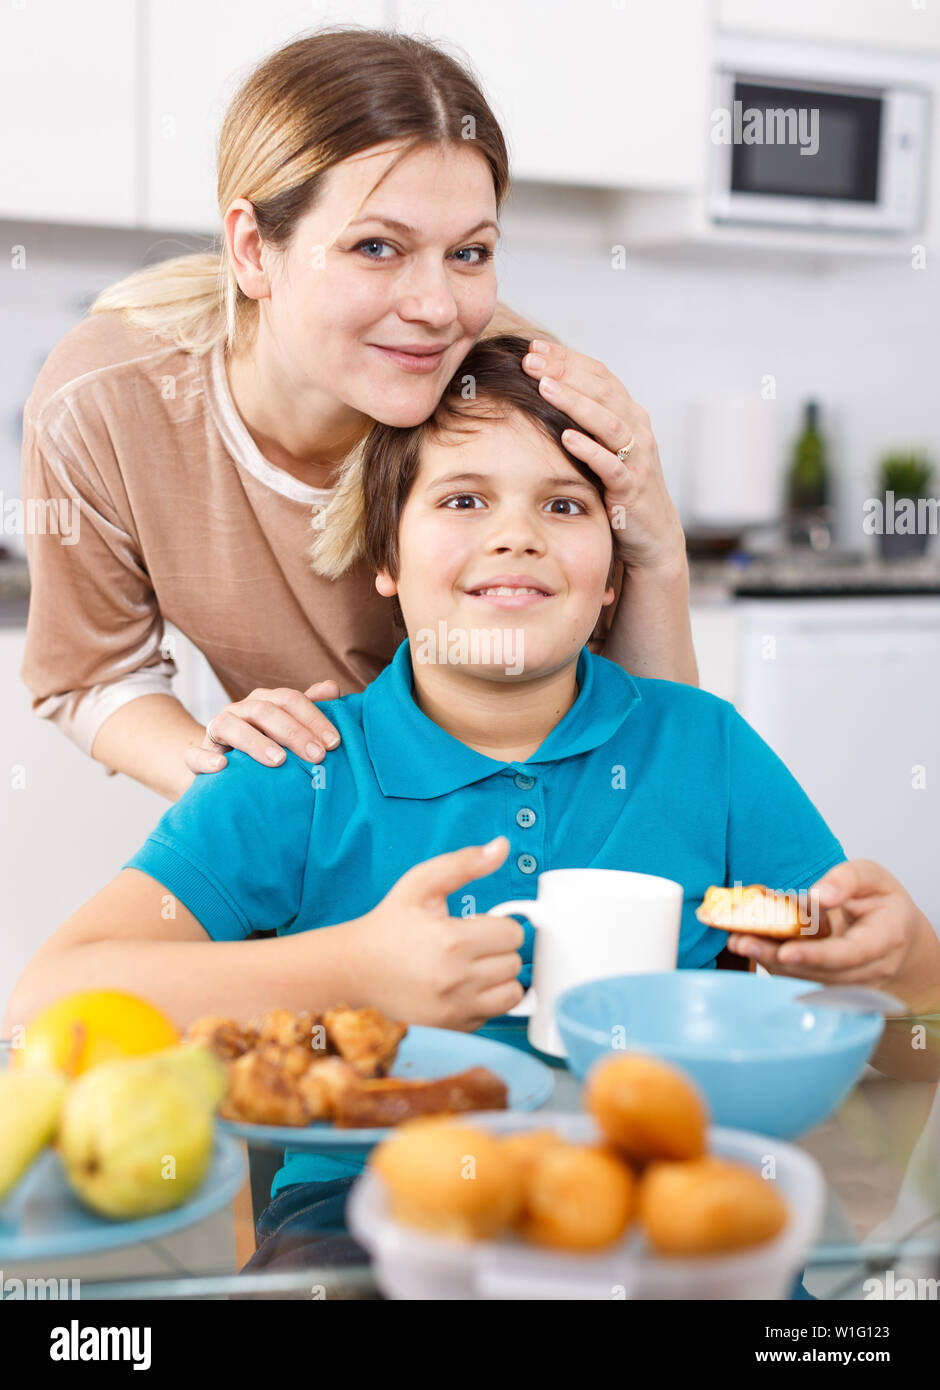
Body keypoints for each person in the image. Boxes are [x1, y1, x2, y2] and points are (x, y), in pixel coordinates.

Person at [9, 334, 939, 1274]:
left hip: (654, 1199)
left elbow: (916, 1050)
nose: (516, 534)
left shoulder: (708, 750)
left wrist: (906, 967)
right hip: (364, 1215)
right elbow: (50, 995)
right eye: (462, 499)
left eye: (565, 505)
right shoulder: (299, 767)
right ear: (385, 557)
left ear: (614, 572)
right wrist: (354, 970)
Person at [20, 26, 696, 805]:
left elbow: (653, 742)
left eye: (470, 253)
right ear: (251, 250)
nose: (438, 309)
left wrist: (657, 547)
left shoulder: (514, 393)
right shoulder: (108, 401)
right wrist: (239, 784)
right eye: (377, 247)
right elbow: (94, 674)